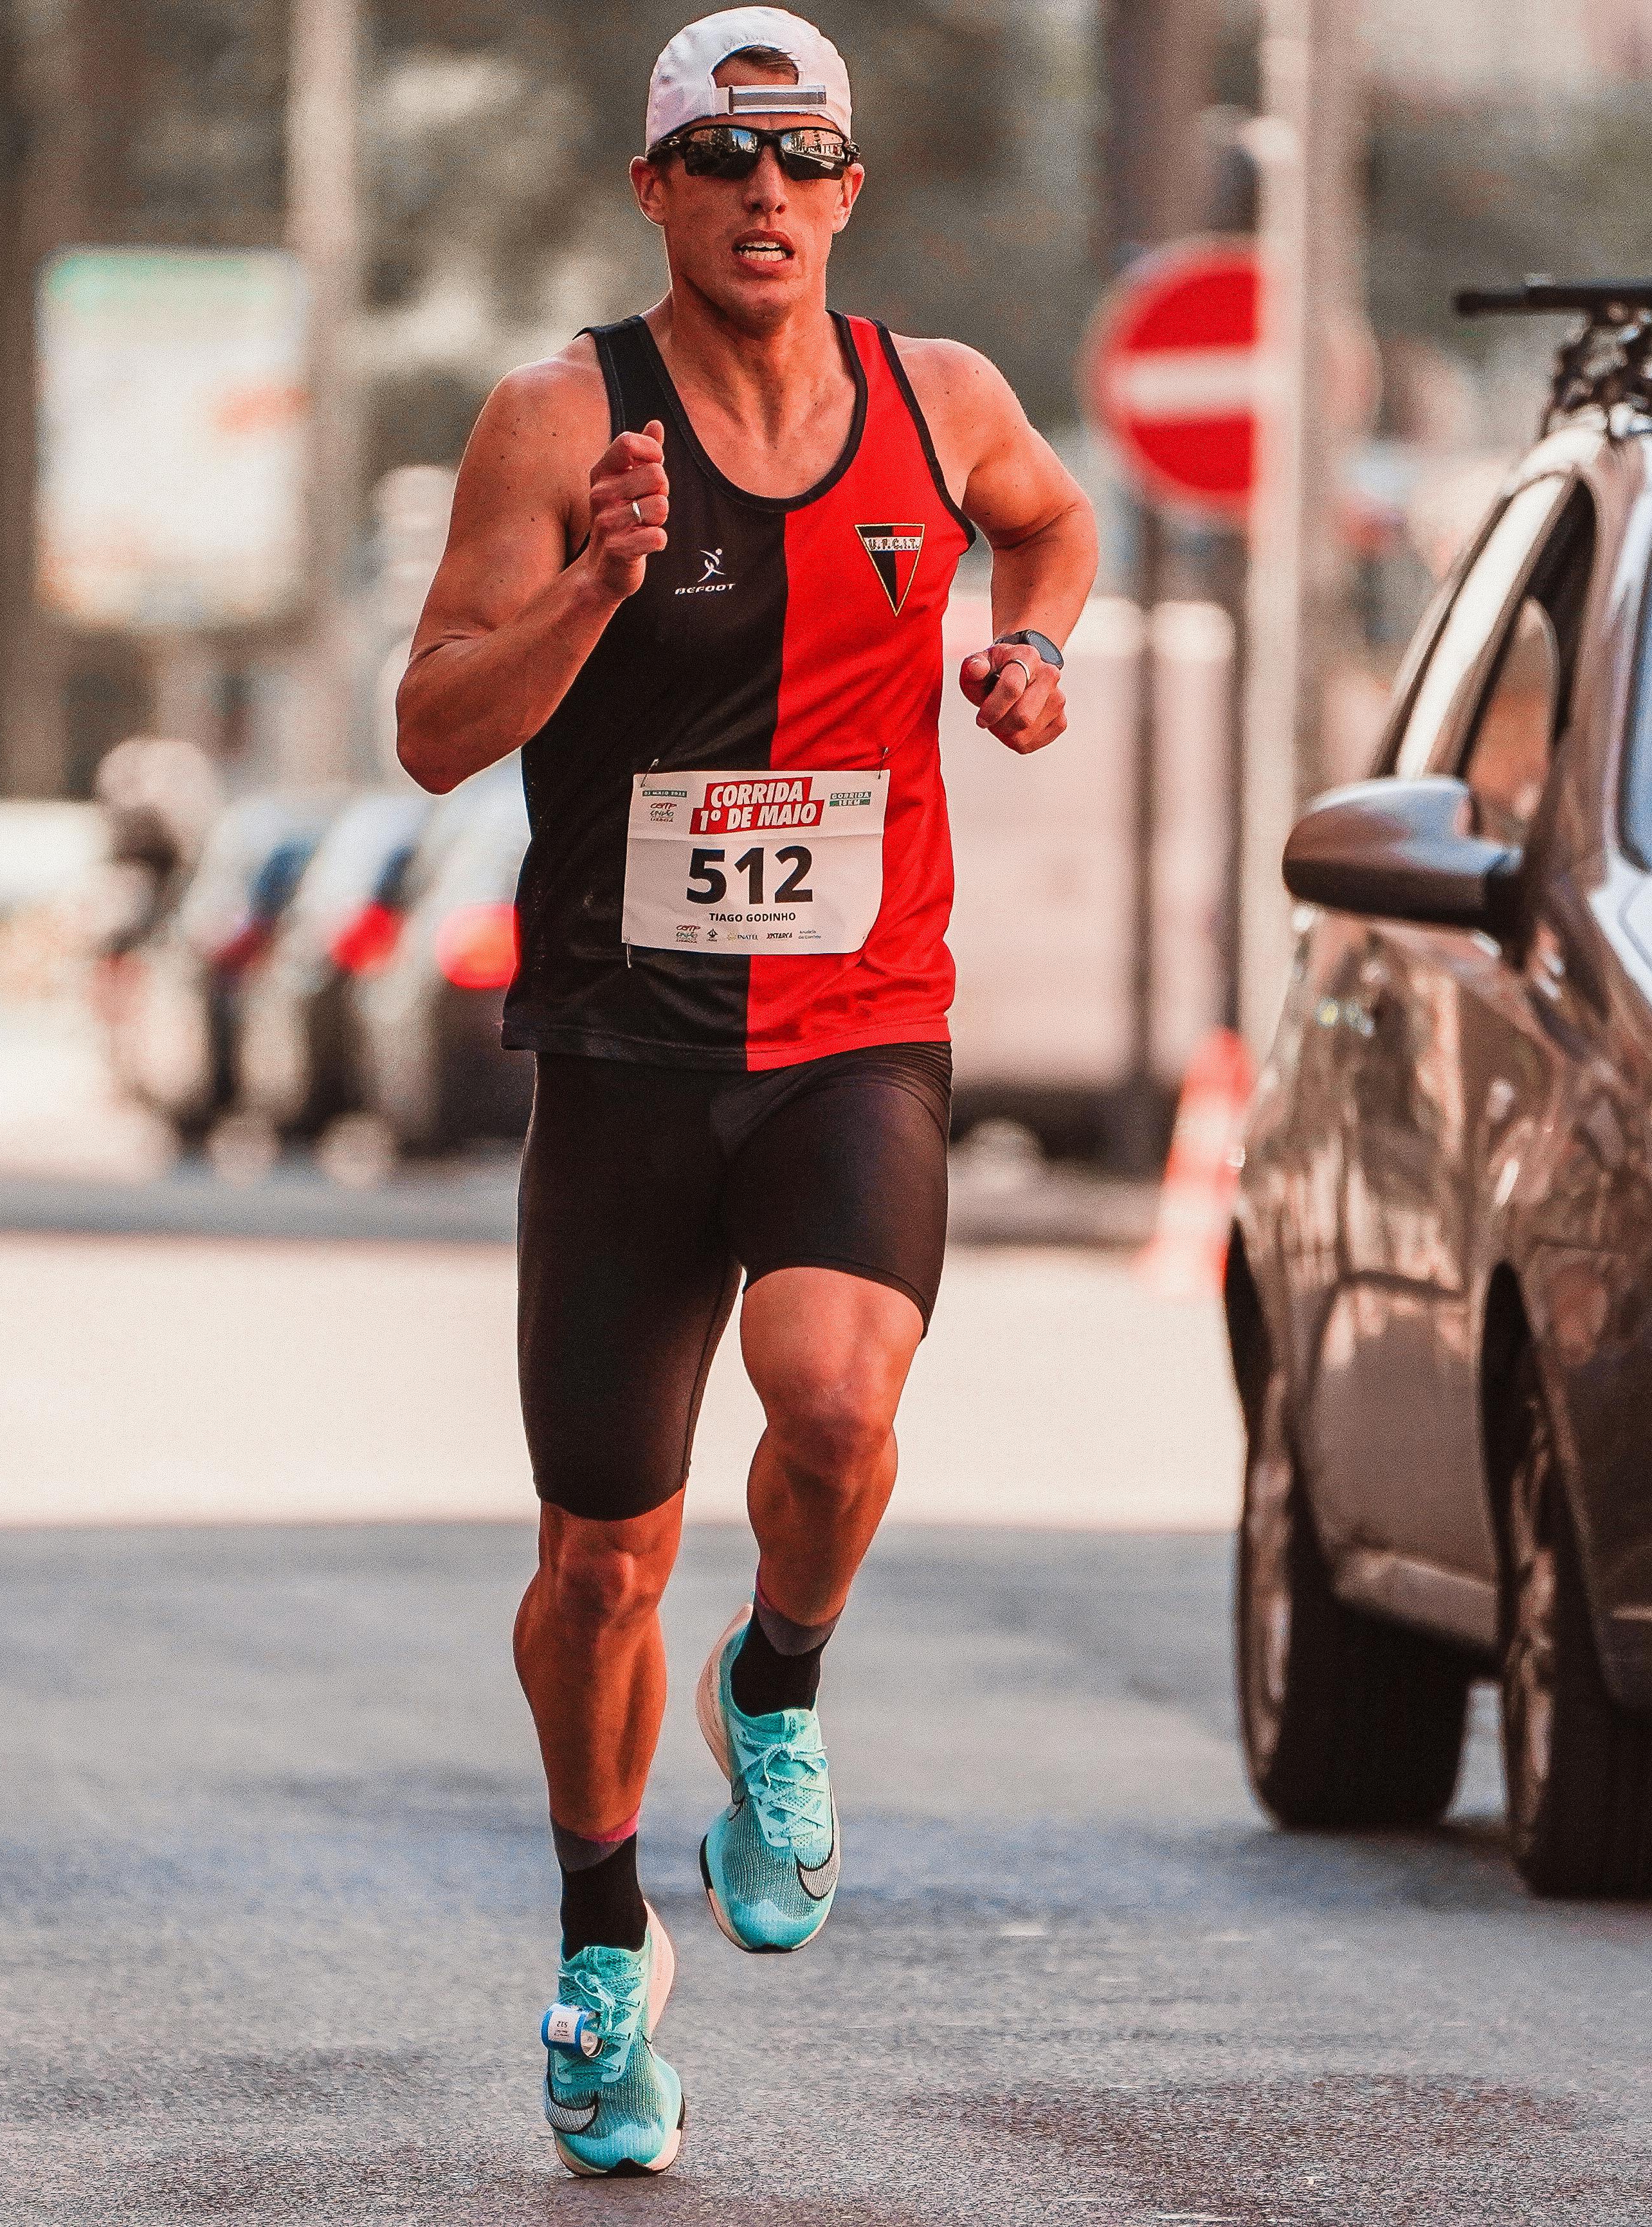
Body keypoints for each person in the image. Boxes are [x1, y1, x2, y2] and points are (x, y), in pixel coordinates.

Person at [393, 5, 1096, 2179]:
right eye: (721, 163)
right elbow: (432, 731)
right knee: (601, 1558)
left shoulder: (940, 399)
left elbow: (1049, 524)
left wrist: (1030, 647)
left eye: (800, 162)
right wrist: (599, 582)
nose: (763, 198)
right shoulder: (552, 421)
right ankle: (605, 1950)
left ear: (847, 194)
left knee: (838, 1407)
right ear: (655, 195)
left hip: (852, 1029)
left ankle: (778, 1681)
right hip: (619, 1056)